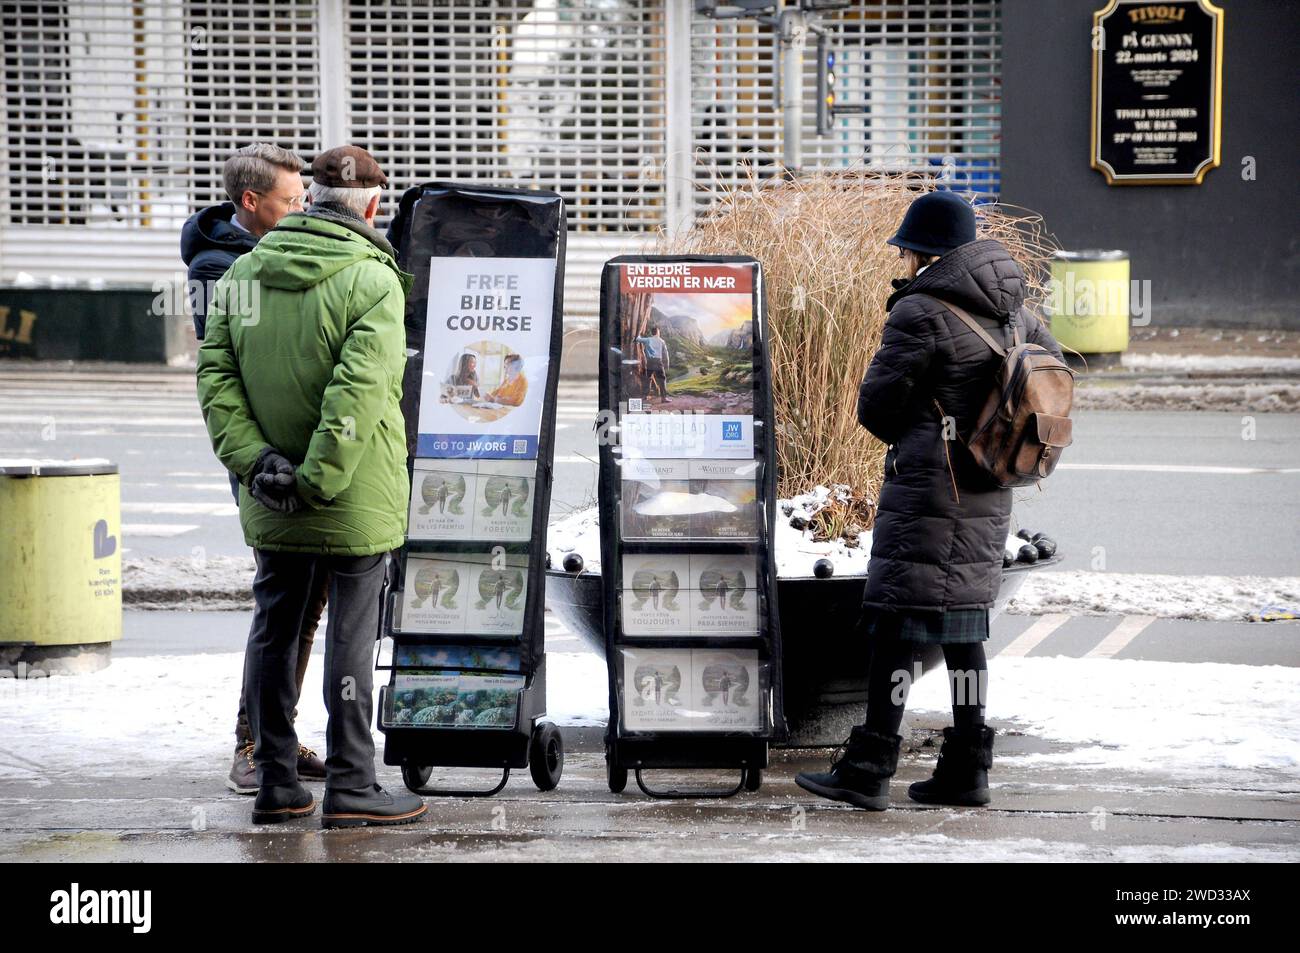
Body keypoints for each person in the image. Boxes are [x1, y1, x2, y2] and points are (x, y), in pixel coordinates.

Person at [796, 190, 1065, 812]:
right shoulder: (1017, 312)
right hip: (989, 490)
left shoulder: (920, 311)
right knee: (964, 634)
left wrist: (924, 430)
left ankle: (868, 770)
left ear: (921, 251)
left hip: (927, 491)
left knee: (896, 626)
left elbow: (876, 408)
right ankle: (967, 771)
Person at [197, 145, 427, 829]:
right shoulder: (374, 280)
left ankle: (274, 779)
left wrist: (261, 464)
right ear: (374, 207)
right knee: (349, 637)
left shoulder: (242, 274)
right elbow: (358, 393)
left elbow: (215, 380)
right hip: (349, 497)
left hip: (270, 494)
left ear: (309, 202)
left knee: (275, 630)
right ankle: (353, 781)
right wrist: (317, 479)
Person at [180, 143, 329, 795]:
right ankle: (254, 742)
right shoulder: (221, 268)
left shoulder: (280, 250)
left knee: (307, 602)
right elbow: (235, 376)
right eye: (291, 201)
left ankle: (278, 735)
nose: (302, 210)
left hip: (311, 455)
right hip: (265, 461)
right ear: (251, 203)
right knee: (281, 600)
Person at [635, 325, 671, 403]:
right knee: (662, 380)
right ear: (658, 332)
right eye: (659, 332)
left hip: (650, 362)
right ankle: (663, 398)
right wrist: (667, 363)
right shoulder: (662, 341)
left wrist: (639, 332)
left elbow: (637, 339)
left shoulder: (647, 340)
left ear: (652, 333)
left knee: (647, 379)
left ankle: (644, 396)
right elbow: (665, 353)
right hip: (658, 362)